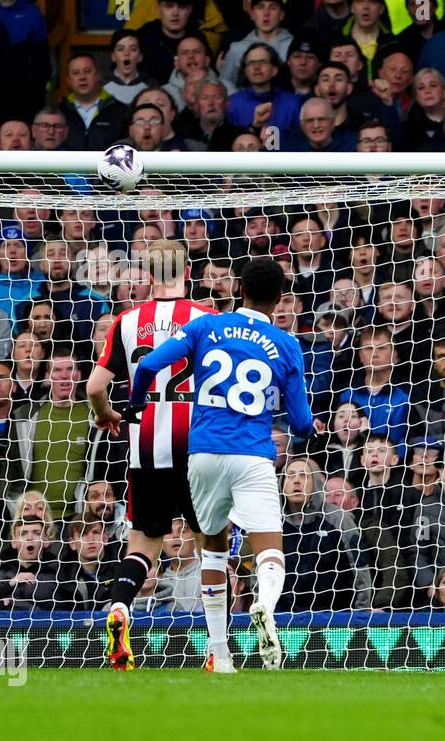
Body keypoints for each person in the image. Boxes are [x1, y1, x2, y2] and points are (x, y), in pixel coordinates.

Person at [130, 256, 314, 673]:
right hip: (252, 457)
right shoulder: (286, 345)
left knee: (212, 547)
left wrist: (138, 402)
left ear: (239, 289)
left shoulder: (205, 326)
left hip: (204, 455)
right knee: (270, 549)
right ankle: (264, 607)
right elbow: (300, 424)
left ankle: (222, 656)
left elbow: (148, 365)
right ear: (280, 298)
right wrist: (305, 424)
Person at [87, 240, 209, 671]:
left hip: (145, 446)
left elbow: (94, 388)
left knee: (142, 545)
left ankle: (120, 609)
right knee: (210, 546)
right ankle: (217, 646)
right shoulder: (208, 319)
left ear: (148, 276)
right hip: (200, 448)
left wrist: (107, 416)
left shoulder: (127, 321)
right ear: (188, 272)